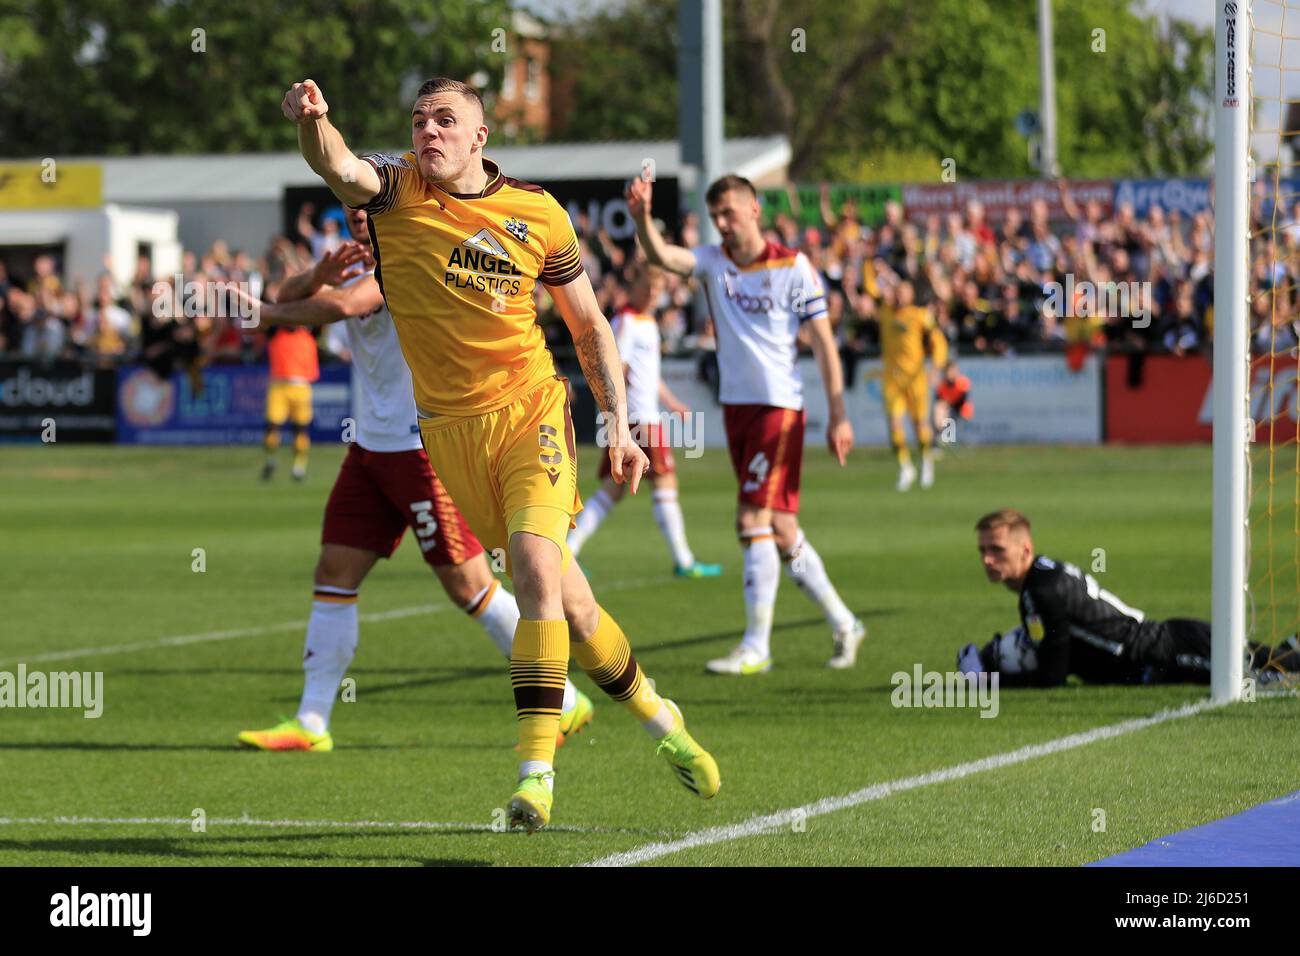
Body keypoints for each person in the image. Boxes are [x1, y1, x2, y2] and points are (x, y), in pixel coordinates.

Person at [283, 75, 719, 832]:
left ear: (480, 136)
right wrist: (312, 120)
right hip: (448, 434)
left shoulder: (537, 213)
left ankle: (534, 777)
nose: (429, 132)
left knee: (536, 570)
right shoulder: (393, 195)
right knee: (573, 608)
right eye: (419, 120)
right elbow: (339, 165)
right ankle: (658, 713)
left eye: (446, 120)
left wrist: (616, 422)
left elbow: (587, 326)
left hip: (532, 413)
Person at [236, 213, 592, 752]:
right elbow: (296, 292)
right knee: (334, 569)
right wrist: (315, 272)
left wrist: (268, 316)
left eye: (367, 211)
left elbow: (346, 305)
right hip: (371, 451)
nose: (360, 223)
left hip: (423, 450)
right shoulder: (354, 261)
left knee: (469, 586)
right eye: (352, 214)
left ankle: (563, 698)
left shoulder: (413, 257)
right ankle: (311, 721)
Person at [629, 171, 866, 674]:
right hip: (738, 409)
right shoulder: (715, 262)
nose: (721, 224)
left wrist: (839, 413)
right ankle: (845, 622)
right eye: (715, 216)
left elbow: (824, 342)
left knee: (750, 521)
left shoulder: (792, 266)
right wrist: (642, 219)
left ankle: (757, 646)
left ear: (754, 210)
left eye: (729, 214)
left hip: (779, 409)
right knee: (782, 529)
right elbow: (664, 257)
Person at [963, 508, 1300, 686]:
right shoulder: (1044, 575)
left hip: (1166, 654)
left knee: (1281, 674)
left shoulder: (1040, 591)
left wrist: (989, 682)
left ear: (1025, 548)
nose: (987, 560)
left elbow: (1053, 676)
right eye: (982, 551)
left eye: (997, 550)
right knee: (1280, 663)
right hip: (1166, 645)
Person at [566, 264, 721, 578]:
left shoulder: (647, 322)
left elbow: (649, 375)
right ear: (633, 285)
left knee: (614, 488)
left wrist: (673, 403)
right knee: (664, 484)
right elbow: (614, 365)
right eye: (647, 288)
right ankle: (684, 560)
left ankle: (568, 553)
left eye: (657, 289)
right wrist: (618, 410)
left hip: (642, 415)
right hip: (637, 419)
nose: (652, 294)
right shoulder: (625, 322)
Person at [876, 279, 947, 491]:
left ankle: (926, 460)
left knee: (919, 424)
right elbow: (871, 287)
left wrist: (935, 367)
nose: (899, 295)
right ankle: (905, 467)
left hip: (915, 378)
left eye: (903, 292)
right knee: (895, 424)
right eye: (897, 291)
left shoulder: (920, 316)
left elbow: (939, 342)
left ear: (911, 296)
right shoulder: (885, 313)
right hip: (892, 378)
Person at [261, 320, 319, 481]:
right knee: (272, 427)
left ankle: (298, 468)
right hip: (279, 385)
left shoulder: (309, 333)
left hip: (301, 386)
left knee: (300, 429)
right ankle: (271, 460)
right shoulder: (275, 331)